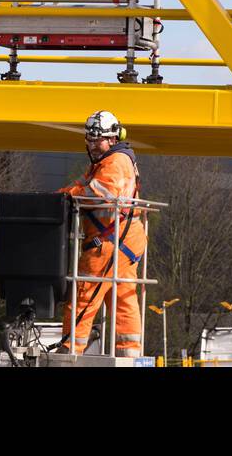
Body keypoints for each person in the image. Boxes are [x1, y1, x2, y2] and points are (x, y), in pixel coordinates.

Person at [58, 110, 146, 356]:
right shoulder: (106, 162)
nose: (93, 144)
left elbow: (99, 193)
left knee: (85, 291)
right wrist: (64, 193)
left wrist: (67, 196)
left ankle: (70, 350)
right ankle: (130, 353)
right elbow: (84, 185)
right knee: (122, 296)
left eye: (99, 140)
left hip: (110, 240)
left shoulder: (115, 163)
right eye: (90, 139)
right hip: (122, 238)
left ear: (114, 138)